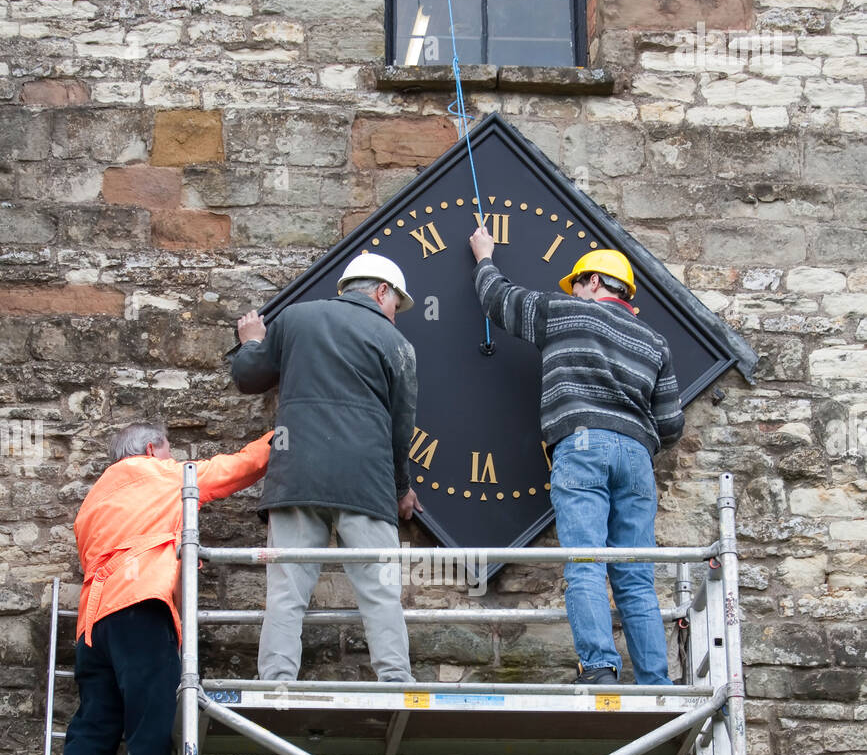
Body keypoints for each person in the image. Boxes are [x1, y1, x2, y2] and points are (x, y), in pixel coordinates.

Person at [44, 422, 274, 755]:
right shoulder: (163, 475)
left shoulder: (92, 502)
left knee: (93, 727)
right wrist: (281, 435)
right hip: (141, 607)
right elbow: (233, 469)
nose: (173, 459)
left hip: (94, 623)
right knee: (150, 724)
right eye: (170, 452)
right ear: (152, 449)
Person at [469, 227, 684, 685]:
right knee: (636, 576)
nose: (574, 289)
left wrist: (484, 258)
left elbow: (500, 303)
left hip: (583, 445)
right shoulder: (654, 342)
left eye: (577, 282)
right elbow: (671, 425)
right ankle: (657, 684)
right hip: (638, 455)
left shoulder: (566, 311)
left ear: (590, 283)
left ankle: (600, 669)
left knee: (586, 560)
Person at [231, 251, 420, 683]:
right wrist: (400, 488)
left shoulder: (296, 320)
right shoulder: (398, 345)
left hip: (296, 478)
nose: (395, 315)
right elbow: (401, 427)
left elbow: (248, 377)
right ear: (381, 291)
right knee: (380, 592)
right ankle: (395, 681)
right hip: (366, 486)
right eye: (396, 305)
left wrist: (253, 341)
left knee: (287, 590)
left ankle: (276, 680)